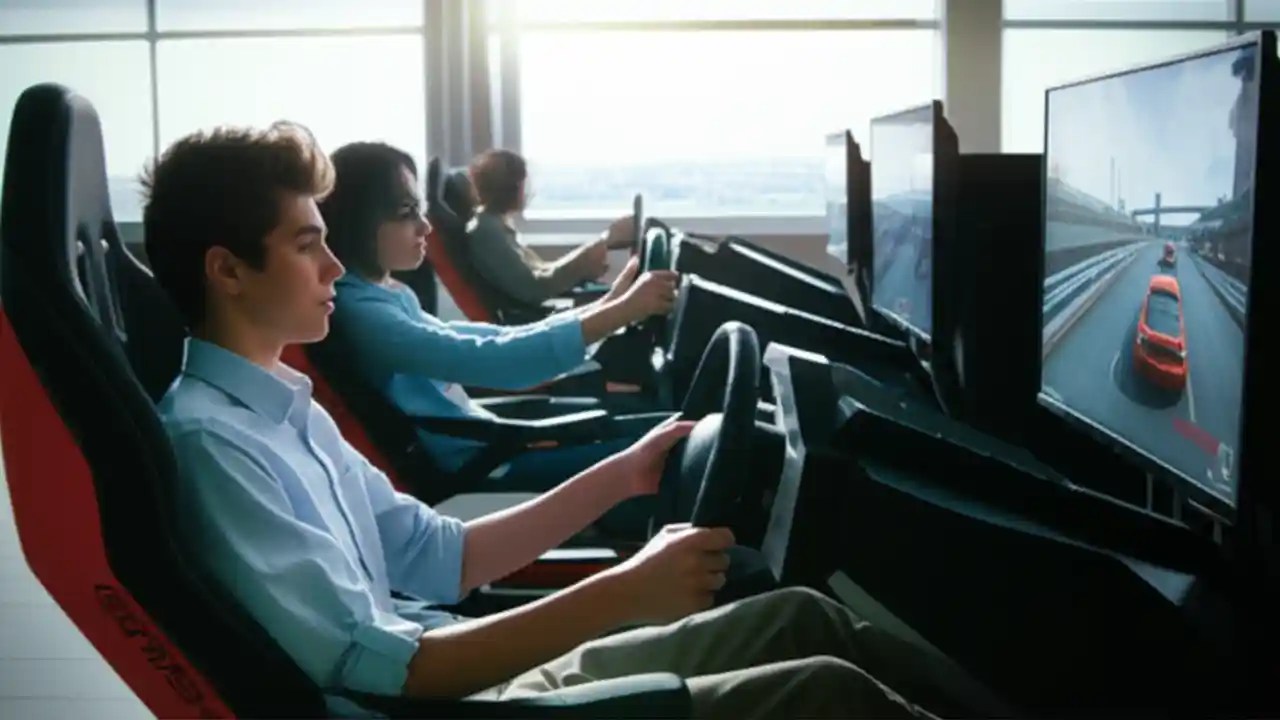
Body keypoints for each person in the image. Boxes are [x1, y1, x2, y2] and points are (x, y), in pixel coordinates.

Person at [143, 121, 990, 720]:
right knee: (823, 692)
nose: (334, 264)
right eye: (305, 245)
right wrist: (624, 591)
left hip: (462, 670)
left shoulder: (290, 412)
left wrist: (618, 477)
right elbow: (393, 674)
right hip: (452, 704)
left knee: (803, 617)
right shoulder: (215, 447)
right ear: (228, 270)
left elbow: (446, 555)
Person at [318, 142, 672, 536]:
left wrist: (610, 304)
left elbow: (492, 337)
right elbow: (493, 360)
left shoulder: (386, 294)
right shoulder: (363, 312)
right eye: (406, 213)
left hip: (488, 442)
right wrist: (619, 312)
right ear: (359, 222)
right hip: (478, 463)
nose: (425, 226)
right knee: (670, 451)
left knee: (670, 427)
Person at [466, 148, 634, 306]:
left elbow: (543, 270)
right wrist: (604, 241)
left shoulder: (495, 225)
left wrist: (586, 265)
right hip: (528, 320)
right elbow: (536, 287)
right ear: (513, 187)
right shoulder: (488, 233)